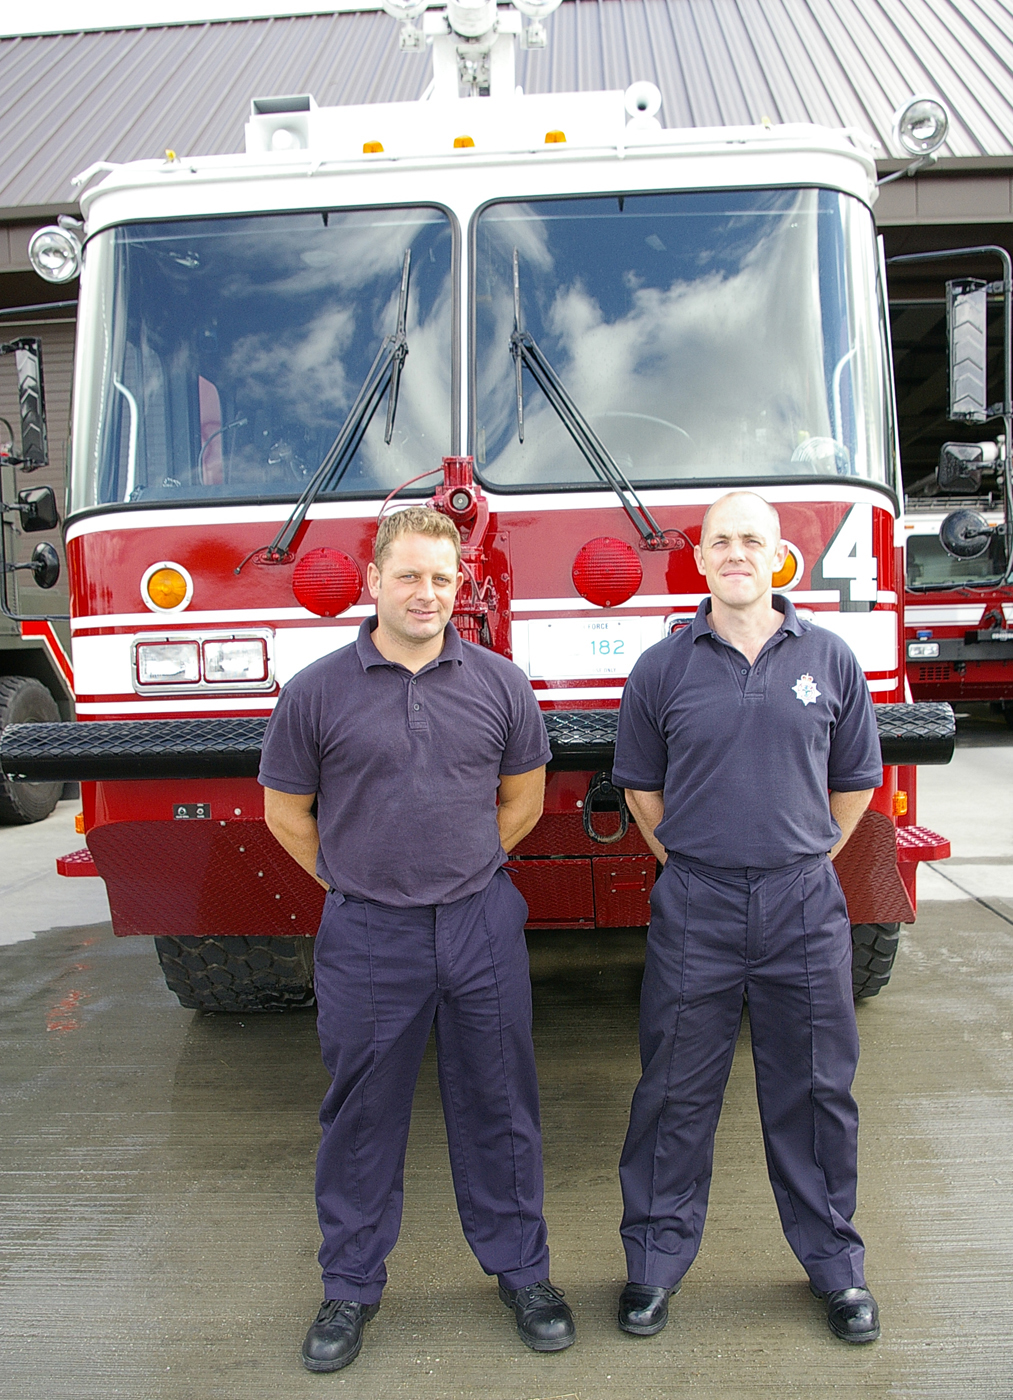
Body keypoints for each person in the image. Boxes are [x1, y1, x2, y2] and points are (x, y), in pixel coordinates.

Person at [258, 506, 575, 1372]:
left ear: (458, 587)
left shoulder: (501, 685)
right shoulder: (316, 692)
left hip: (479, 922)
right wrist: (352, 881)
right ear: (372, 581)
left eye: (442, 578)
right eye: (408, 575)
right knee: (361, 1116)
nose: (426, 593)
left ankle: (523, 1273)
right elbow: (284, 815)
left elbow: (525, 800)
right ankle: (349, 1286)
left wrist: (465, 868)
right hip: (367, 933)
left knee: (501, 1106)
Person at [611, 490, 883, 1346]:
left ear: (777, 557)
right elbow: (640, 790)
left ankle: (835, 1268)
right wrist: (699, 867)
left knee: (814, 1092)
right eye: (720, 540)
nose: (736, 553)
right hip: (697, 902)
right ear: (699, 559)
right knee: (674, 1093)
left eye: (751, 540)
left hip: (802, 903)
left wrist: (799, 860)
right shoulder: (661, 668)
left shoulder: (830, 660)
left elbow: (856, 784)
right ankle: (653, 1266)